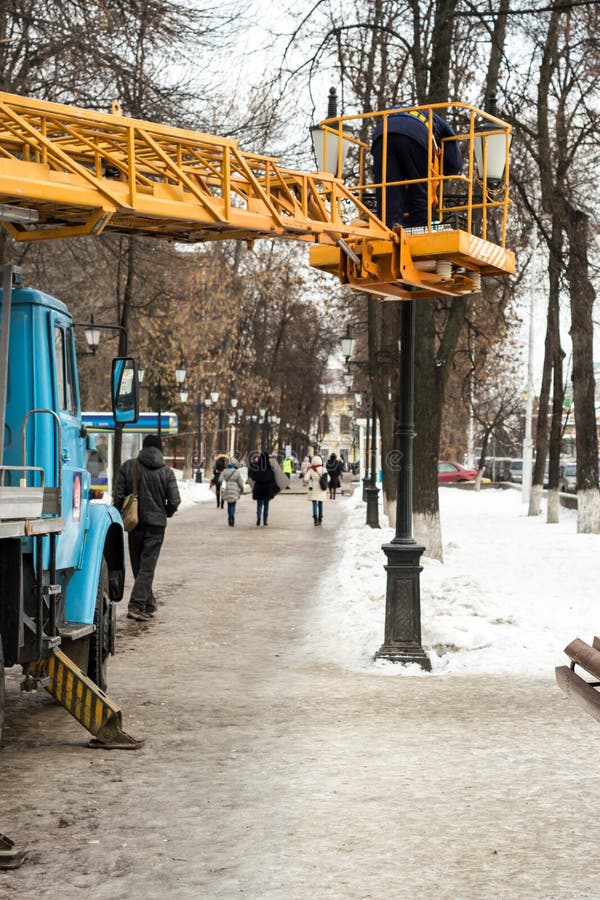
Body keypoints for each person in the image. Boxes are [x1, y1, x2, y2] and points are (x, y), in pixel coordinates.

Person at [114, 434, 181, 621]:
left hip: (134, 523)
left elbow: (118, 496)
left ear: (143, 447)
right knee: (147, 567)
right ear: (160, 449)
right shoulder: (167, 472)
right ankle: (137, 605)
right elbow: (175, 501)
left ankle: (147, 602)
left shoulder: (129, 466)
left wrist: (119, 513)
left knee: (139, 566)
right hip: (156, 527)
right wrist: (165, 512)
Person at [371, 106, 463, 228]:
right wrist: (441, 179)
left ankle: (390, 229)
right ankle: (424, 230)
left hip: (381, 133)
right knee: (421, 192)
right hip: (416, 133)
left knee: (388, 191)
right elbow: (454, 163)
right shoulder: (446, 134)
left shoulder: (425, 115)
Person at [248, 450, 278, 526]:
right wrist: (274, 489)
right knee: (266, 505)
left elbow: (253, 476)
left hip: (258, 488)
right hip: (267, 489)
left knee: (259, 504)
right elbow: (272, 479)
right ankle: (265, 521)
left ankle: (258, 516)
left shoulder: (257, 467)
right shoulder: (269, 468)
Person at [219, 457, 246, 526]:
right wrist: (242, 489)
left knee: (229, 504)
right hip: (235, 490)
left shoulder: (224, 471)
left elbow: (220, 479)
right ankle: (232, 517)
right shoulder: (237, 472)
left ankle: (229, 517)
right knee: (233, 504)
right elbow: (240, 482)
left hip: (227, 489)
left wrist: (224, 481)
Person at [303, 454, 328, 525]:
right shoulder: (324, 469)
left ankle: (315, 519)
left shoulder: (311, 470)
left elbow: (305, 478)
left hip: (313, 488)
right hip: (321, 488)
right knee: (320, 503)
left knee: (314, 503)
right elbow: (328, 479)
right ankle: (320, 518)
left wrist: (309, 480)